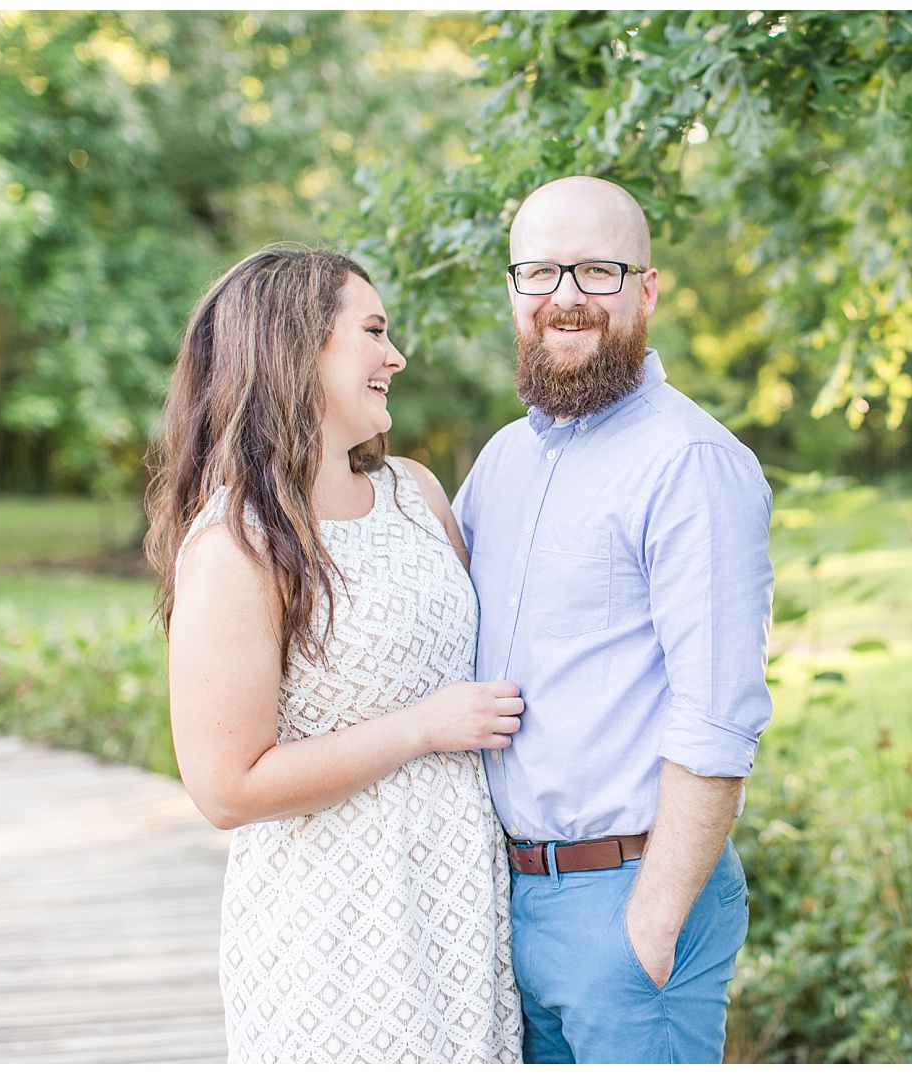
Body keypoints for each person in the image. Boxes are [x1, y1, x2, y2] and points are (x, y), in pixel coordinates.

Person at [143, 246, 524, 1063]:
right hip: (334, 928)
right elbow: (226, 787)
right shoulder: (236, 544)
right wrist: (421, 728)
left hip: (457, 904)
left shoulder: (416, 494)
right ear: (295, 346)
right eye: (374, 331)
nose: (397, 356)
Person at [452, 176, 775, 1063]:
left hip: (629, 901)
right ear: (512, 291)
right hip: (509, 900)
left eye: (597, 270)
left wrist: (652, 922)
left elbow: (719, 716)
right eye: (540, 273)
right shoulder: (503, 462)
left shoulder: (692, 463)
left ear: (647, 288)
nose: (565, 298)